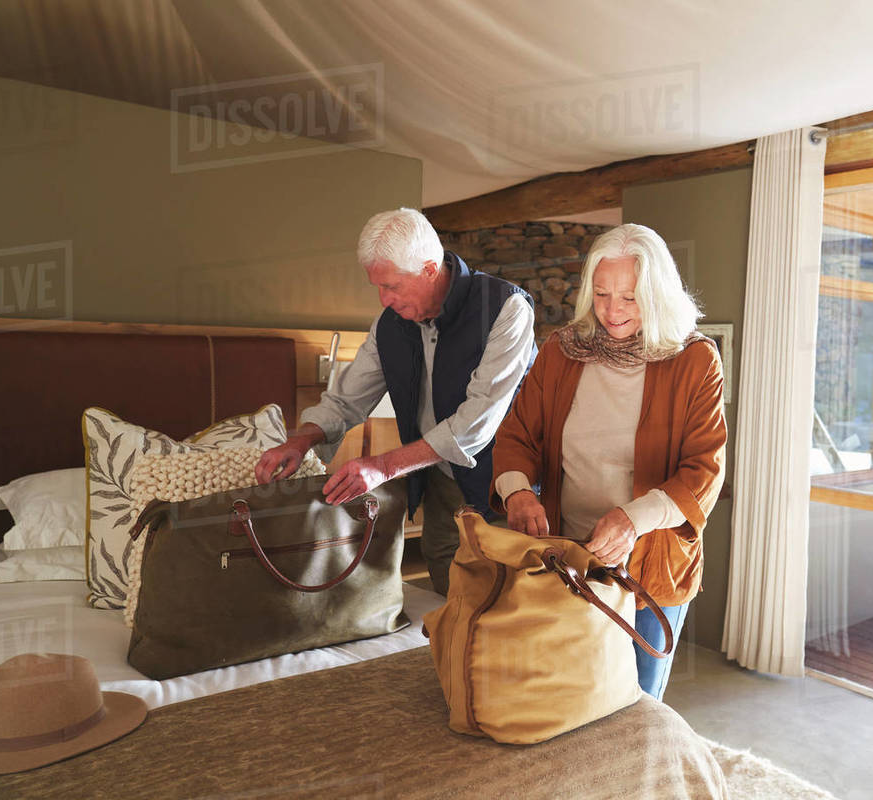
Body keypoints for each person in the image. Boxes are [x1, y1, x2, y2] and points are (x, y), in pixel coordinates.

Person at [491, 222, 726, 700]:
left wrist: (631, 520)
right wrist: (516, 490)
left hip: (650, 567)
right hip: (565, 560)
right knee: (566, 698)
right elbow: (518, 435)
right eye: (601, 294)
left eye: (629, 297)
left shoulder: (695, 360)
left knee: (636, 705)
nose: (612, 312)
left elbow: (703, 472)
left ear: (657, 293)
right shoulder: (561, 351)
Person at [256, 208, 537, 596]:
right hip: (441, 485)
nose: (384, 300)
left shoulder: (505, 309)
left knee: (509, 602)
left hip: (507, 487)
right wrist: (300, 439)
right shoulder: (388, 326)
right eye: (377, 286)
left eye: (391, 286)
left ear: (427, 269)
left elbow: (476, 423)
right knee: (446, 595)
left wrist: (384, 466)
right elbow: (344, 400)